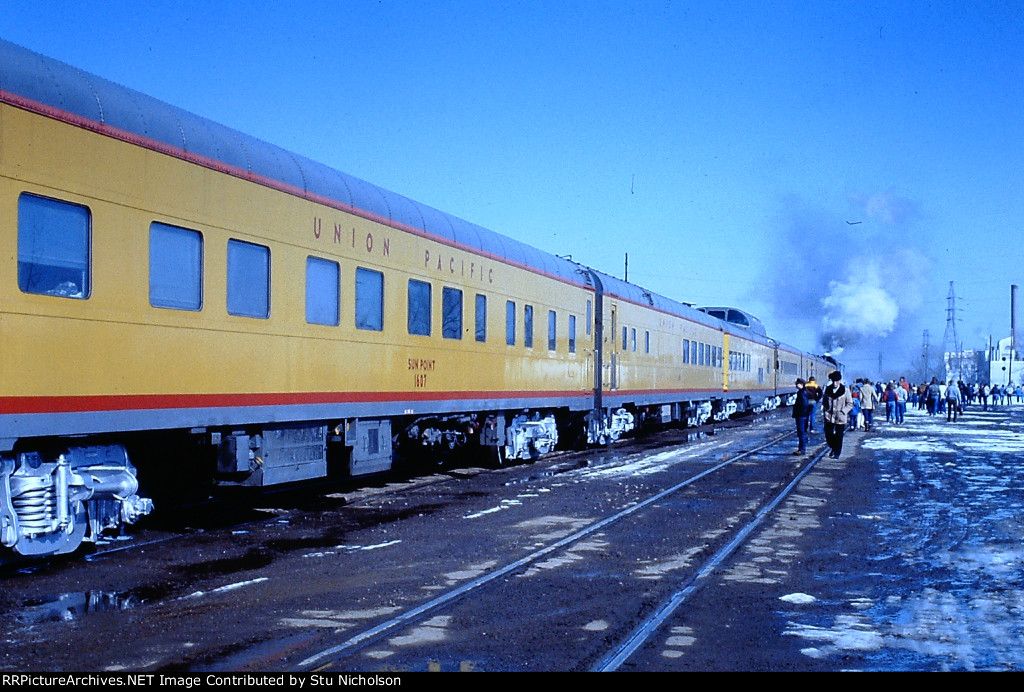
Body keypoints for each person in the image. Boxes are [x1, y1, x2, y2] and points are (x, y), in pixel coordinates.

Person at [821, 371, 854, 458]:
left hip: (840, 416)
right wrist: (825, 411)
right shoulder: (828, 390)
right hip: (829, 416)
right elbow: (824, 402)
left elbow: (850, 403)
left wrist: (843, 411)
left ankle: (837, 453)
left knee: (839, 435)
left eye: (836, 381)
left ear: (839, 381)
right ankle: (833, 447)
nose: (835, 383)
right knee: (828, 433)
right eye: (833, 381)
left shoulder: (845, 390)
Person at [792, 378, 811, 455]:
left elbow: (804, 404)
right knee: (802, 432)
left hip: (801, 415)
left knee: (801, 432)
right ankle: (802, 448)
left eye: (797, 384)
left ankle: (802, 449)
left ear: (801, 384)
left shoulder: (802, 393)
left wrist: (798, 411)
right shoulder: (803, 391)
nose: (796, 385)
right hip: (803, 414)